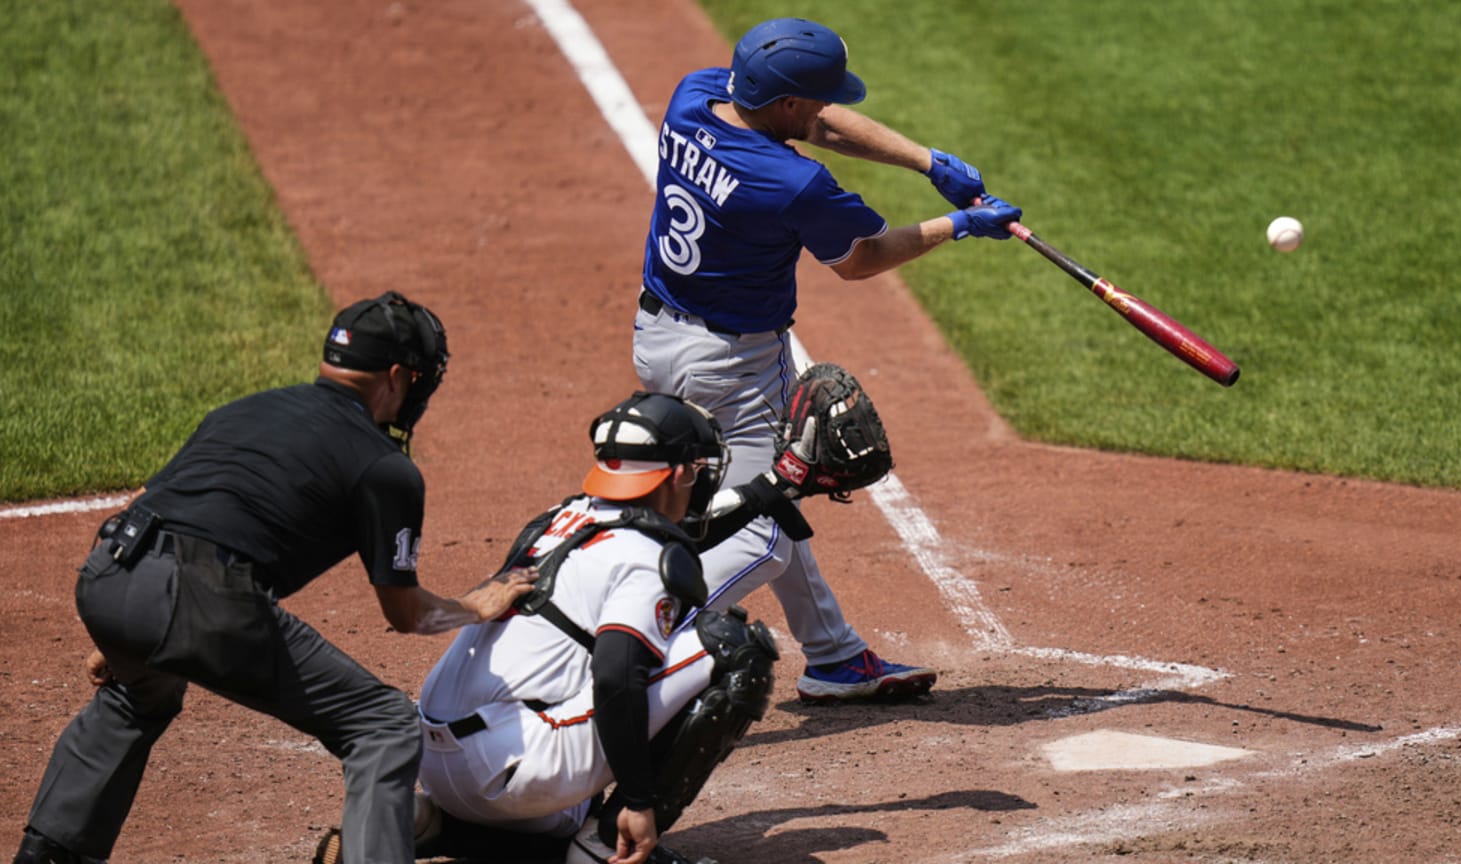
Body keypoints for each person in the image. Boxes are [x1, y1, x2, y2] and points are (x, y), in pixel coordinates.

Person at [11, 291, 535, 864]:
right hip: (200, 599)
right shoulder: (385, 468)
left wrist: (127, 628)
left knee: (140, 692)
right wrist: (475, 605)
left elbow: (148, 498)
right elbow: (405, 613)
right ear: (394, 377)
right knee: (383, 725)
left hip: (108, 573)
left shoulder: (246, 408)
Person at [633, 17, 1023, 702]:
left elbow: (815, 124)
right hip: (737, 368)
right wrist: (960, 225)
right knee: (766, 533)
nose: (823, 109)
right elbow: (861, 260)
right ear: (786, 103)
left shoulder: (694, 95)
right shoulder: (791, 184)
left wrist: (927, 163)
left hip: (660, 340)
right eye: (815, 98)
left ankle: (833, 655)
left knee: (764, 494)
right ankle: (631, 643)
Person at [358, 391, 780, 864]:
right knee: (734, 650)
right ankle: (603, 849)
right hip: (509, 771)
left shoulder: (563, 518)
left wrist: (771, 490)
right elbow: (616, 677)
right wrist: (639, 801)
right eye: (700, 470)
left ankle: (433, 826)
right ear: (680, 474)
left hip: (438, 761)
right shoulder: (644, 558)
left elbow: (673, 535)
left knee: (566, 807)